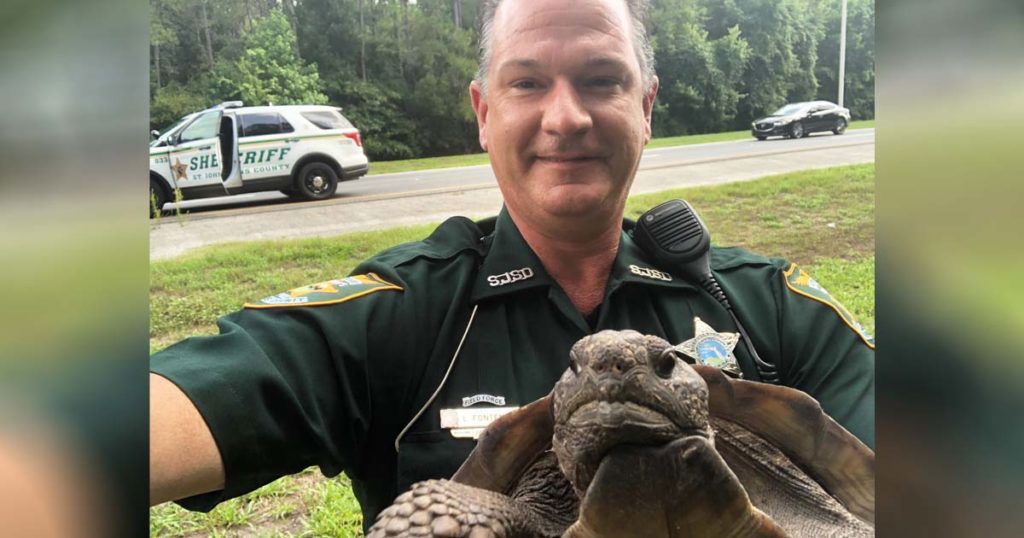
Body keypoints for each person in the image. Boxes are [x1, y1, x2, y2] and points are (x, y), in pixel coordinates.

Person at [150, 0, 875, 531]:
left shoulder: (766, 304)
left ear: (646, 105)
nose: (566, 118)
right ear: (484, 111)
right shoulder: (404, 310)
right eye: (527, 83)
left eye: (601, 79)